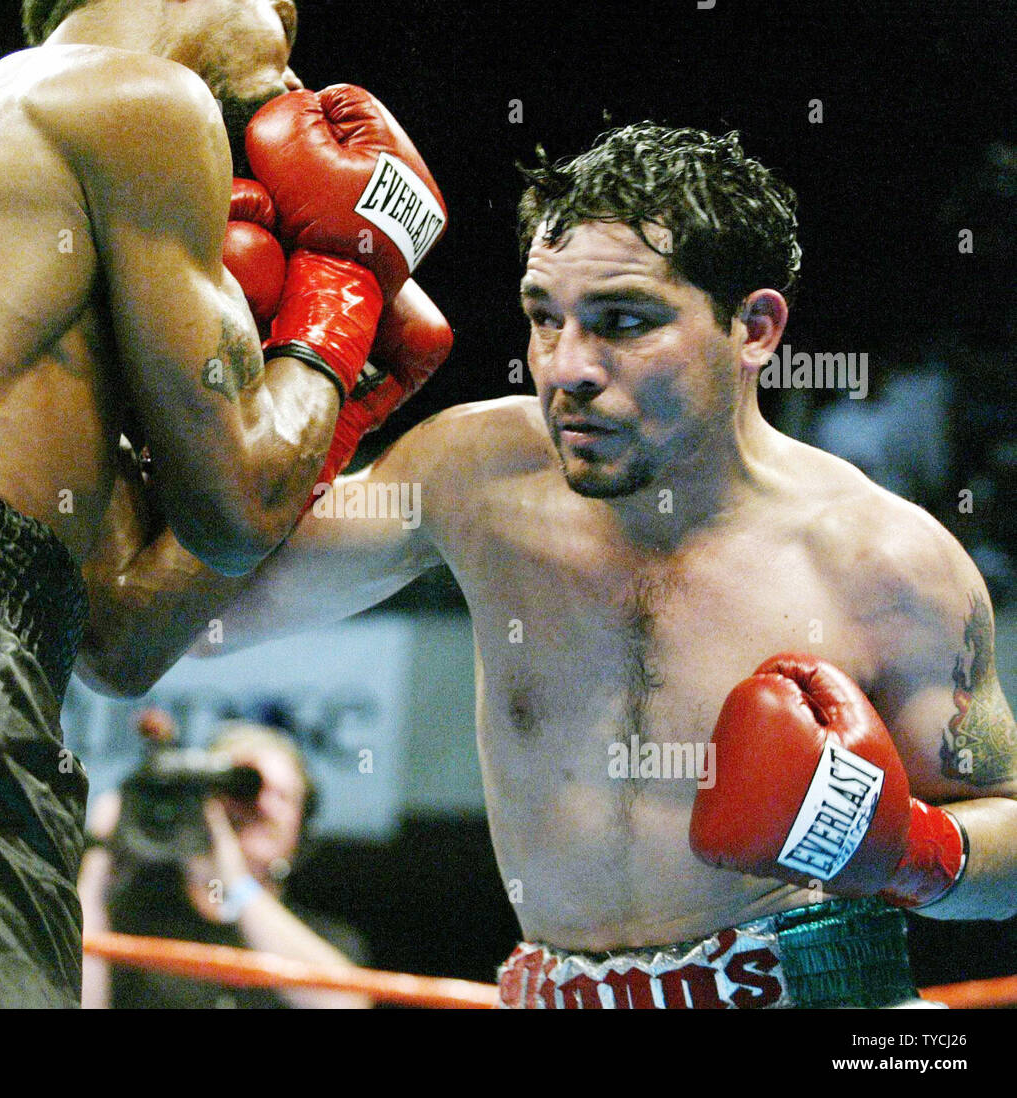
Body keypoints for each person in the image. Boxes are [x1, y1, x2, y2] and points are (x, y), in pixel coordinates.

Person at [121, 124, 1017, 1008]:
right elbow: (188, 627)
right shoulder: (472, 476)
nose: (570, 367)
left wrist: (911, 849)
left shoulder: (884, 561)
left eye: (623, 322)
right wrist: (305, 414)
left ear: (754, 328)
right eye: (546, 318)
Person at [0, 0, 445, 1007]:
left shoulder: (24, 155)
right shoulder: (138, 99)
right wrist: (344, 286)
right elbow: (239, 506)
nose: (289, 36)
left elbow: (124, 638)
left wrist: (329, 423)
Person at [79, 717, 370, 1008]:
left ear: (302, 827)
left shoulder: (329, 940)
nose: (263, 806)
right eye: (245, 791)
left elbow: (346, 1001)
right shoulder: (131, 920)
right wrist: (98, 858)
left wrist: (235, 882)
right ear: (204, 799)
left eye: (282, 796)